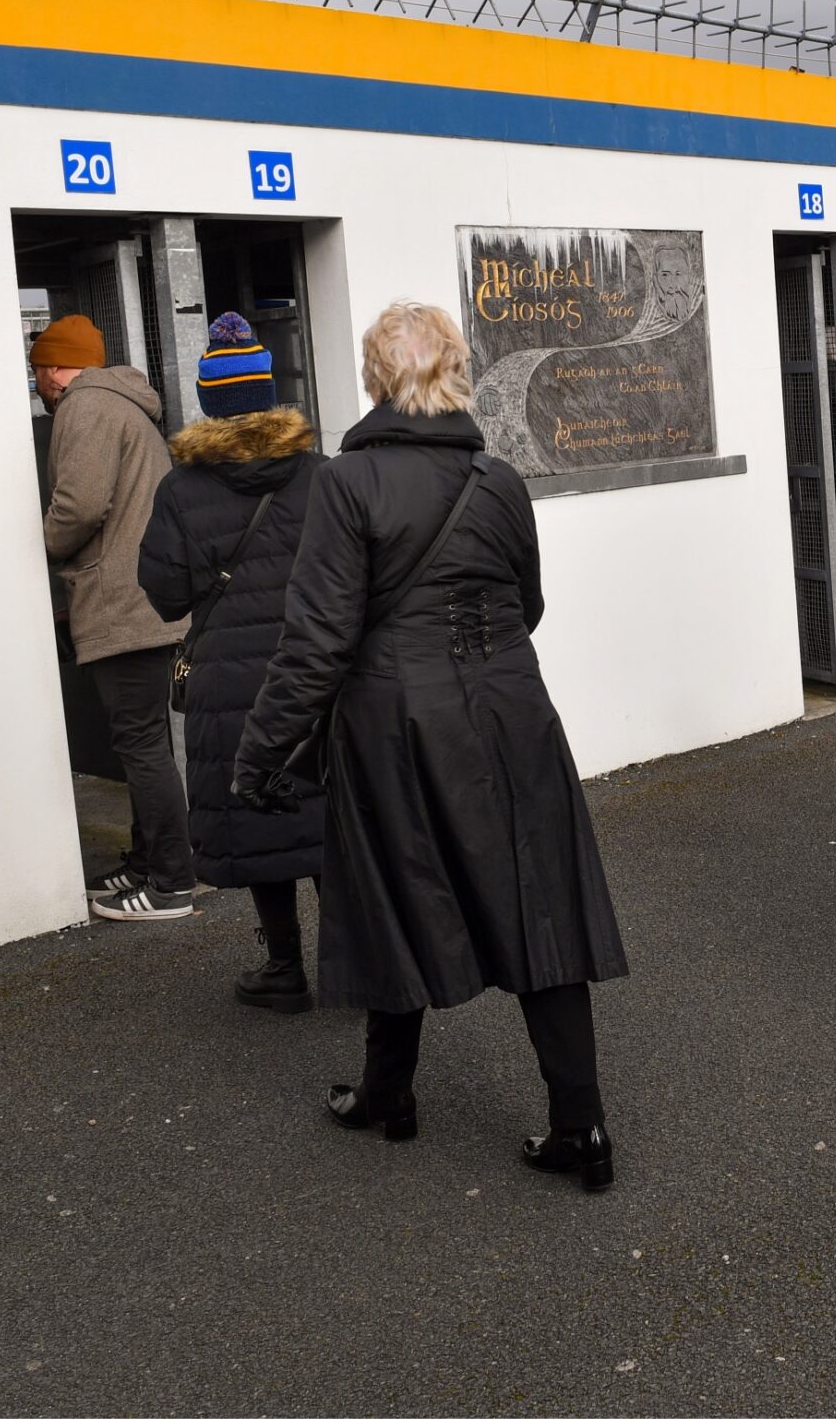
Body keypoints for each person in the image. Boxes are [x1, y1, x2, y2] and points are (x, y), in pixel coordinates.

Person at [234, 301, 628, 1191]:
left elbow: (316, 640)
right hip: (511, 708)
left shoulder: (347, 481)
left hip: (395, 718)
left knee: (390, 896)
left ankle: (388, 1095)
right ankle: (583, 1127)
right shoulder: (498, 477)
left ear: (377, 378)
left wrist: (259, 755)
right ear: (453, 370)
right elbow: (526, 604)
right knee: (540, 905)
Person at [138, 315, 328, 1005]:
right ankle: (352, 963)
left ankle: (284, 968)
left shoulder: (181, 489)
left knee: (260, 816)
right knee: (329, 813)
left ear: (208, 401)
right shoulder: (318, 473)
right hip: (318, 668)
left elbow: (162, 593)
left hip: (230, 677)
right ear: (271, 392)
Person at [33, 314, 196, 922]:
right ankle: (146, 862)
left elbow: (78, 507)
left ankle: (172, 883)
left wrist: (35, 551)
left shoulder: (85, 406)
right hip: (146, 601)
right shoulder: (124, 405)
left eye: (39, 372)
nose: (41, 388)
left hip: (121, 605)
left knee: (142, 745)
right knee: (144, 742)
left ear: (53, 368)